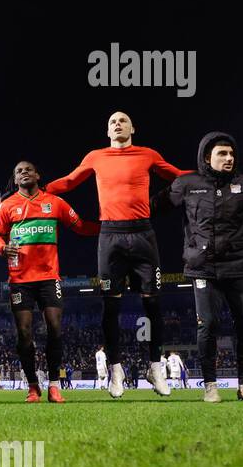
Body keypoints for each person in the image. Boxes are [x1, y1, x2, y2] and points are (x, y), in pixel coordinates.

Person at [45, 111, 187, 398]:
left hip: (144, 234)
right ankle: (116, 370)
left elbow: (177, 176)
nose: (117, 124)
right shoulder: (96, 156)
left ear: (133, 127)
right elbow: (70, 182)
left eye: (123, 120)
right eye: (112, 121)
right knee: (111, 307)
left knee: (153, 305)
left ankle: (155, 367)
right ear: (107, 131)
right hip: (110, 235)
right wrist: (39, 191)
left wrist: (207, 176)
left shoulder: (147, 154)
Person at [157, 132, 243, 402]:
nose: (229, 158)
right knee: (208, 325)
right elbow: (152, 207)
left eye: (231, 154)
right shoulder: (187, 183)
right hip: (203, 268)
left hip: (238, 266)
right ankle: (210, 386)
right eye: (222, 154)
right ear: (208, 157)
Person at [0, 160, 99, 403]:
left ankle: (53, 384)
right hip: (20, 279)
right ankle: (32, 386)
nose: (24, 173)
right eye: (18, 171)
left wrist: (107, 227)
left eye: (28, 169)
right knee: (24, 332)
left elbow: (80, 226)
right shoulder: (8, 206)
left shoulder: (55, 202)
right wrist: (2, 248)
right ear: (15, 179)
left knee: (55, 329)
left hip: (49, 277)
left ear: (38, 175)